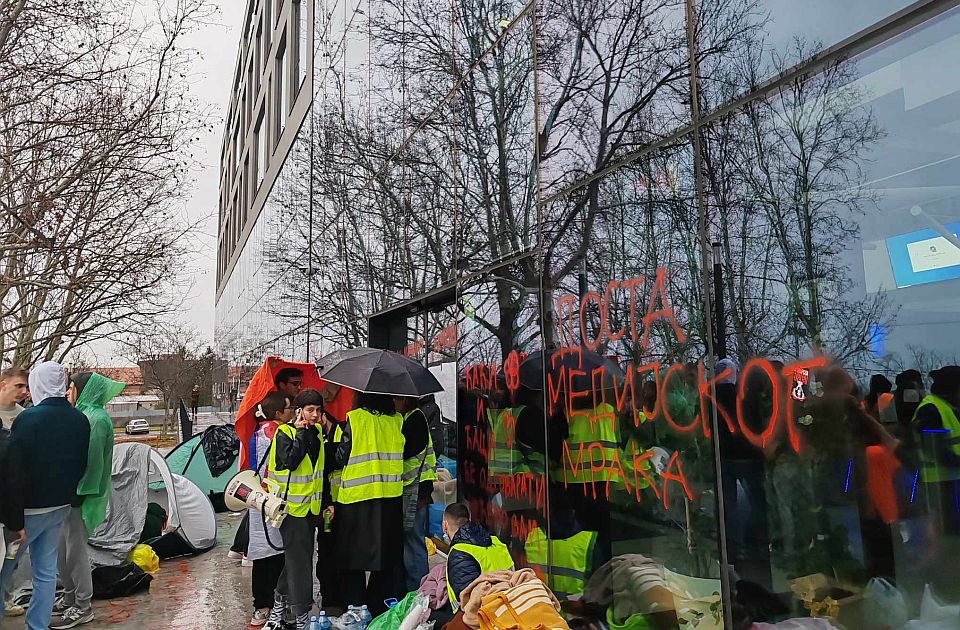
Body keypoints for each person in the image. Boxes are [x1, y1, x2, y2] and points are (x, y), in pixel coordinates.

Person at [0, 362, 89, 630]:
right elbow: (80, 464)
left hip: (27, 515)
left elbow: (14, 472)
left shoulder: (28, 419)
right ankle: (37, 626)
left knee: (5, 571)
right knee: (46, 571)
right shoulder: (79, 419)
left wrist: (14, 521)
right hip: (59, 508)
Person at [50, 373, 122, 629]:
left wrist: (80, 493)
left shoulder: (97, 419)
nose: (68, 393)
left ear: (85, 390)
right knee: (62, 549)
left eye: (71, 388)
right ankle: (70, 597)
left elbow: (93, 464)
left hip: (83, 496)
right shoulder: (83, 416)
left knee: (75, 552)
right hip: (72, 494)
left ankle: (83, 605)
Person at [333, 392, 405, 615]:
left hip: (357, 498)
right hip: (389, 498)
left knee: (351, 557)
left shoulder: (355, 418)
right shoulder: (397, 420)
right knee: (385, 556)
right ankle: (378, 605)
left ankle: (355, 606)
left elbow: (341, 456)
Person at [264, 388, 327, 630]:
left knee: (296, 560)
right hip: (289, 511)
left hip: (311, 509)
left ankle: (277, 609)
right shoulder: (284, 432)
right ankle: (301, 616)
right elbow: (291, 461)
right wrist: (300, 433)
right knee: (301, 564)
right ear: (299, 412)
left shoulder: (318, 432)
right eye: (310, 410)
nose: (315, 415)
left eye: (318, 410)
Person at [247, 392, 292, 627]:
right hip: (276, 500)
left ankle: (260, 607)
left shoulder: (256, 433)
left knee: (261, 555)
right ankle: (276, 606)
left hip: (258, 500)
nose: (292, 412)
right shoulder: (281, 433)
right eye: (288, 408)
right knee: (276, 555)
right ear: (278, 414)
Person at [396, 396, 438, 591]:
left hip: (417, 489)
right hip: (416, 487)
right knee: (412, 543)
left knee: (414, 544)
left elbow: (404, 450)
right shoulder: (410, 417)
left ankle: (419, 592)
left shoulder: (415, 419)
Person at [443, 503, 514, 613]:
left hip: (486, 618)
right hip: (511, 605)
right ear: (469, 520)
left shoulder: (459, 553)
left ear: (445, 525)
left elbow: (470, 603)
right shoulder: (495, 541)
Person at [0, 367, 28, 617]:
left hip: (14, 503)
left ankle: (5, 596)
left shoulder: (23, 417)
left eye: (26, 387)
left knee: (13, 553)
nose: (23, 391)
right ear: (3, 384)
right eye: (19, 385)